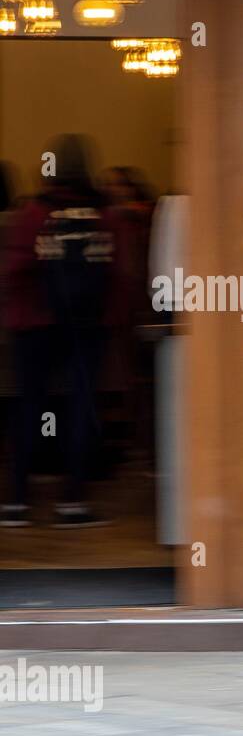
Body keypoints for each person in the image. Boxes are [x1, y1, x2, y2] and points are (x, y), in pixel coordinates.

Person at [1, 135, 120, 528]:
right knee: (79, 409)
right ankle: (72, 501)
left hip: (34, 327)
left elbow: (14, 270)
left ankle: (17, 501)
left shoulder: (35, 212)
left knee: (30, 409)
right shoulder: (105, 214)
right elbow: (118, 274)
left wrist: (20, 312)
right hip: (85, 327)